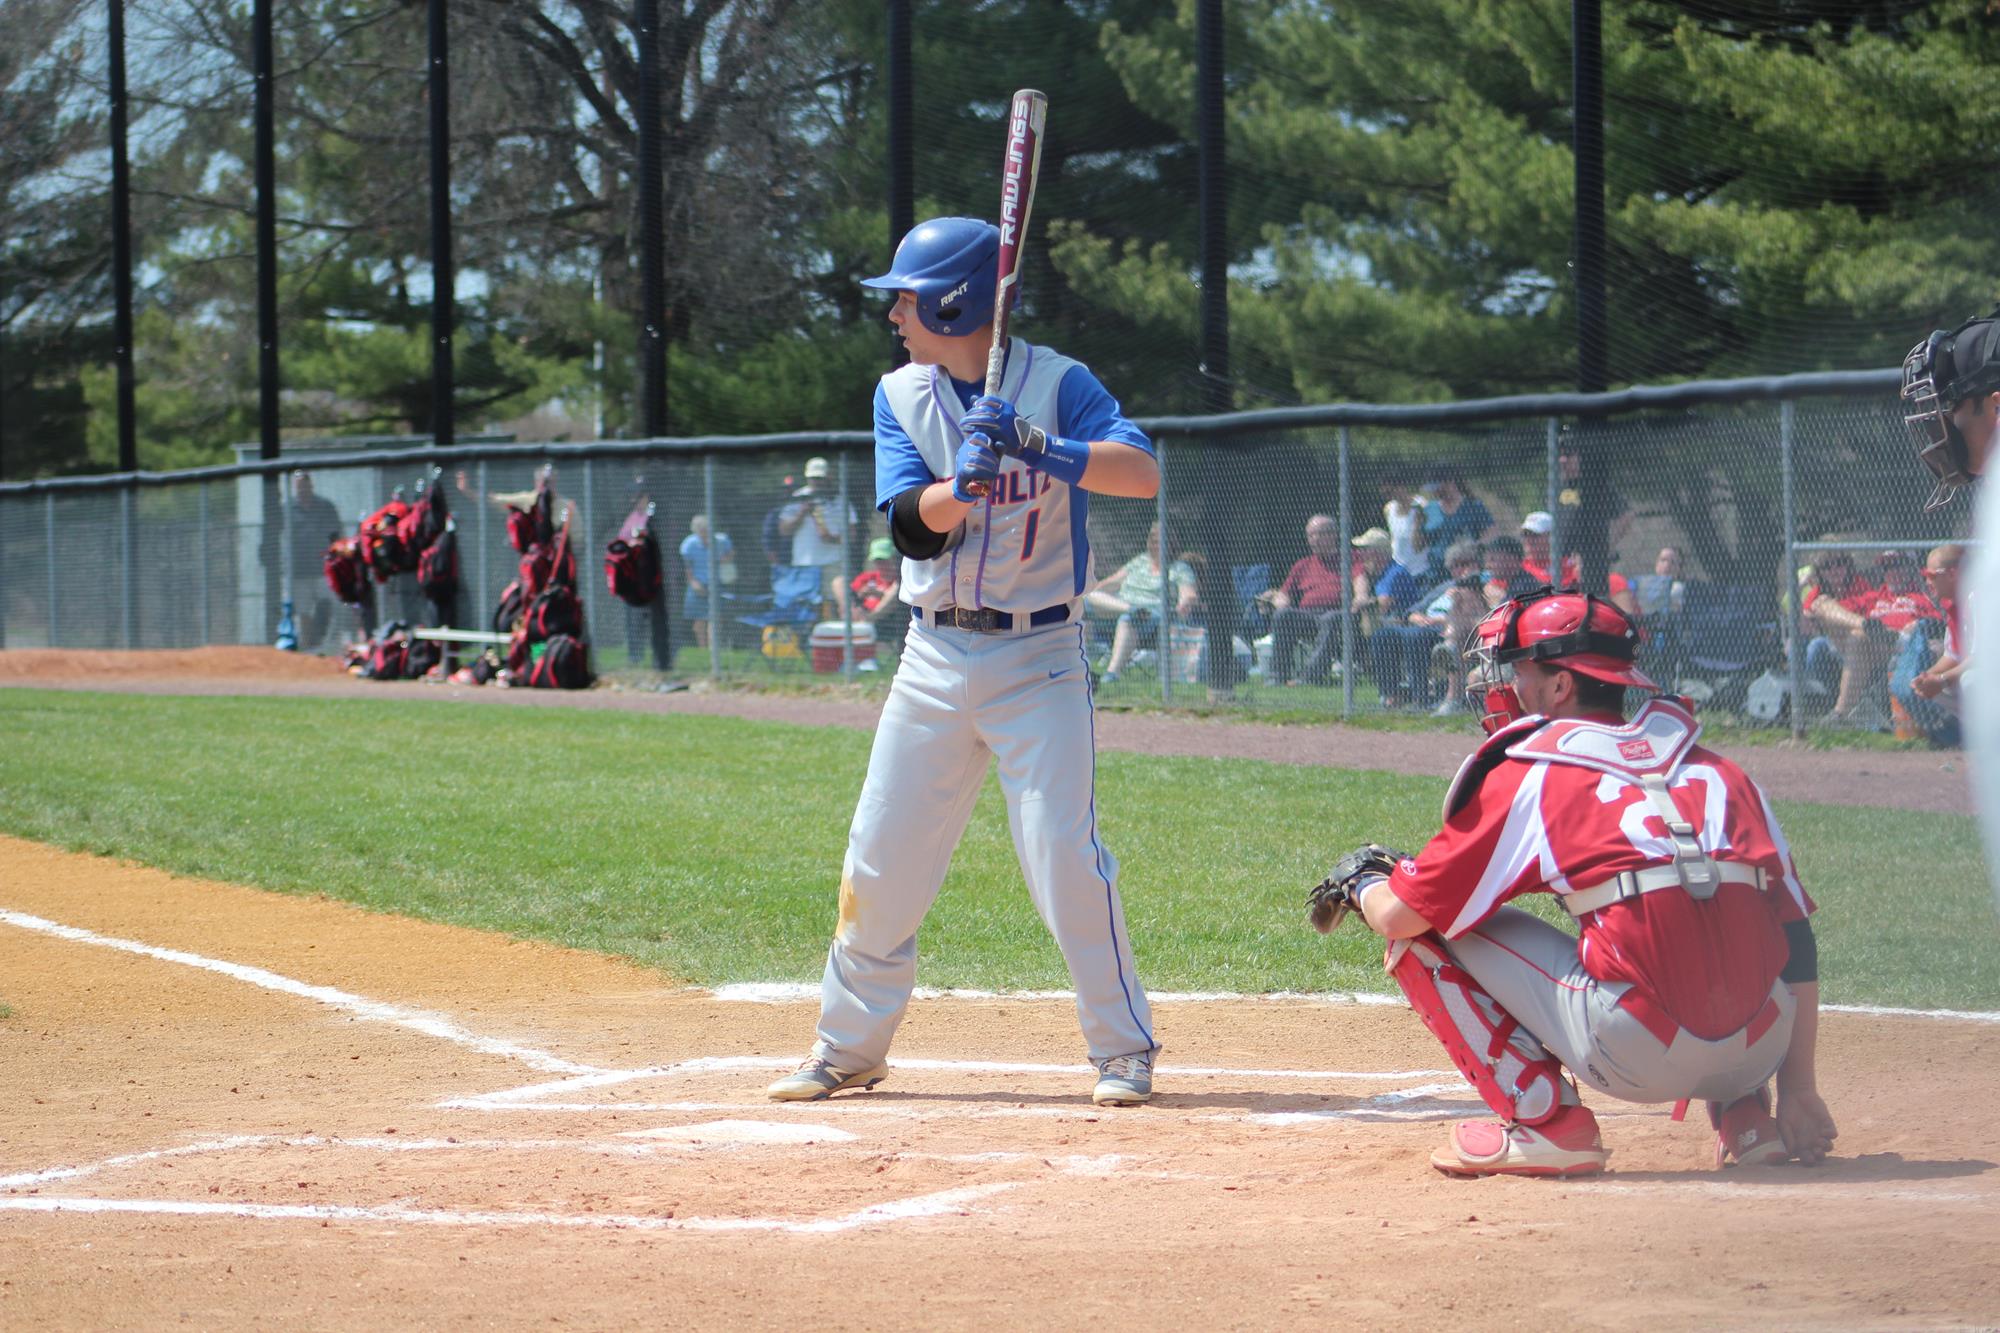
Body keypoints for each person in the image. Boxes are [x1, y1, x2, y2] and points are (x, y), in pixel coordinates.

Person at [767, 216, 1162, 1108]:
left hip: (1042, 656)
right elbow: (908, 522)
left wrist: (1038, 447)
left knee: (1064, 854)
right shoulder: (899, 393)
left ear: (956, 300)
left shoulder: (1060, 382)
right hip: (934, 652)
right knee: (879, 855)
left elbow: (1140, 472)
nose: (896, 315)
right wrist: (961, 488)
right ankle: (848, 1047)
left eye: (907, 298)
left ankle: (1124, 1049)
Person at [1308, 589, 1835, 1177]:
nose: (1505, 686)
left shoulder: (1532, 771)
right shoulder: (1719, 769)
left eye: (1520, 671)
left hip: (1639, 1052)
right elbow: (1797, 935)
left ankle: (1548, 1125)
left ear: (1561, 686)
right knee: (1709, 911)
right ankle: (1750, 1120)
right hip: (1761, 1047)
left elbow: (1402, 915)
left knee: (1426, 929)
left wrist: (1361, 880)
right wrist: (1801, 1089)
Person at [1371, 539, 1485, 714]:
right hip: (1423, 625)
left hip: (1445, 630)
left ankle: (1420, 699)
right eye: (1455, 565)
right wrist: (1416, 617)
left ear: (1476, 564)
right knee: (1383, 635)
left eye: (1465, 564)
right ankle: (1390, 694)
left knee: (1414, 636)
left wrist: (1442, 618)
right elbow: (1412, 610)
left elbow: (1475, 617)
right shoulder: (1444, 587)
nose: (1460, 569)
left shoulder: (1479, 587)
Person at [1089, 521, 1197, 683]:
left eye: (1160, 540)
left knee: (1129, 620)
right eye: (1153, 540)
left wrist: (1184, 603)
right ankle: (1074, 666)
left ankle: (1112, 673)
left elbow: (1189, 593)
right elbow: (1112, 583)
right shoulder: (1140, 561)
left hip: (1151, 615)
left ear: (1172, 543)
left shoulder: (1179, 568)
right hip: (1119, 606)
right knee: (1083, 600)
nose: (1155, 544)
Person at [1800, 549, 1892, 729]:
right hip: (1836, 641)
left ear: (1848, 566)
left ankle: (1840, 714)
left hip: (1864, 645)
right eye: (1827, 566)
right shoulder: (1818, 592)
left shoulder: (1859, 584)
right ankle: (1863, 624)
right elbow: (1803, 628)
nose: (1835, 570)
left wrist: (1827, 613)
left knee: (1853, 636)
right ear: (1820, 572)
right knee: (1816, 646)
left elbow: (1866, 606)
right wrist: (1800, 587)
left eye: (1840, 563)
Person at [261, 470, 346, 652]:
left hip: (323, 568)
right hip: (297, 570)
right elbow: (273, 534)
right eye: (299, 485)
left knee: (328, 604)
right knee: (303, 611)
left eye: (305, 484)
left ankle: (323, 643)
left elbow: (337, 534)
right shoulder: (287, 508)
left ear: (311, 485)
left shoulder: (325, 506)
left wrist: (337, 557)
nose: (303, 488)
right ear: (294, 487)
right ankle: (308, 648)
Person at [1893, 544, 1967, 748]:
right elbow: (1953, 654)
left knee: (1970, 680)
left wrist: (1941, 680)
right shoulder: (1953, 605)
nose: (1927, 581)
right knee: (1922, 687)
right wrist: (1928, 676)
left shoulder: (1978, 599)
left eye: (1931, 575)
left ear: (1952, 574)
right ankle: (1971, 737)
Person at [1266, 514, 1348, 687]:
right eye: (1310, 535)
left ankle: (1308, 677)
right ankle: (1277, 676)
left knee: (1330, 618)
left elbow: (1360, 581)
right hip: (1309, 616)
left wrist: (1361, 596)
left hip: (1339, 615)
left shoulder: (1348, 559)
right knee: (1283, 615)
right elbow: (1284, 594)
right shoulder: (1302, 565)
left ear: (1333, 535)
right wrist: (1280, 603)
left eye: (1319, 534)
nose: (1314, 540)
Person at [778, 457, 859, 616]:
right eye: (813, 478)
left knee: (836, 603)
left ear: (828, 477)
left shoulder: (840, 500)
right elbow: (783, 530)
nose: (816, 482)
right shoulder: (797, 498)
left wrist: (833, 539)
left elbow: (852, 536)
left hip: (833, 562)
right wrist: (801, 513)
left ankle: (839, 637)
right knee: (806, 607)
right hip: (804, 564)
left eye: (820, 478)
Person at [678, 513, 733, 652]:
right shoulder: (689, 545)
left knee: (715, 619)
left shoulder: (721, 541)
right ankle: (702, 651)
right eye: (702, 531)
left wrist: (724, 559)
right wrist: (694, 584)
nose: (705, 533)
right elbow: (688, 569)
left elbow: (730, 554)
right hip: (698, 585)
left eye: (707, 530)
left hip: (716, 584)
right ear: (696, 531)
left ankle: (713, 650)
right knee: (699, 621)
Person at [850, 535, 909, 654]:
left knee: (896, 588)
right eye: (878, 561)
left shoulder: (897, 581)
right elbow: (852, 597)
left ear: (893, 559)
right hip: (860, 617)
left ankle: (868, 620)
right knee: (839, 582)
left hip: (886, 623)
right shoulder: (868, 577)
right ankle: (858, 622)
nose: (882, 565)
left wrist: (880, 594)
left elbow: (897, 600)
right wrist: (861, 594)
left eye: (885, 561)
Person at [1421, 465, 1494, 552]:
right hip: (1434, 564)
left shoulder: (1473, 506)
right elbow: (1420, 544)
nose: (1433, 491)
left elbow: (1491, 533)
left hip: (1464, 563)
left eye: (1436, 487)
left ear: (1450, 482)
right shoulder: (1430, 509)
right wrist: (1417, 524)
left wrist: (1475, 546)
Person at [1481, 534, 1540, 603]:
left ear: (1511, 559)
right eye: (1487, 561)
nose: (1488, 566)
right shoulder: (1521, 581)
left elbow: (1506, 612)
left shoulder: (1523, 587)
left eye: (1493, 559)